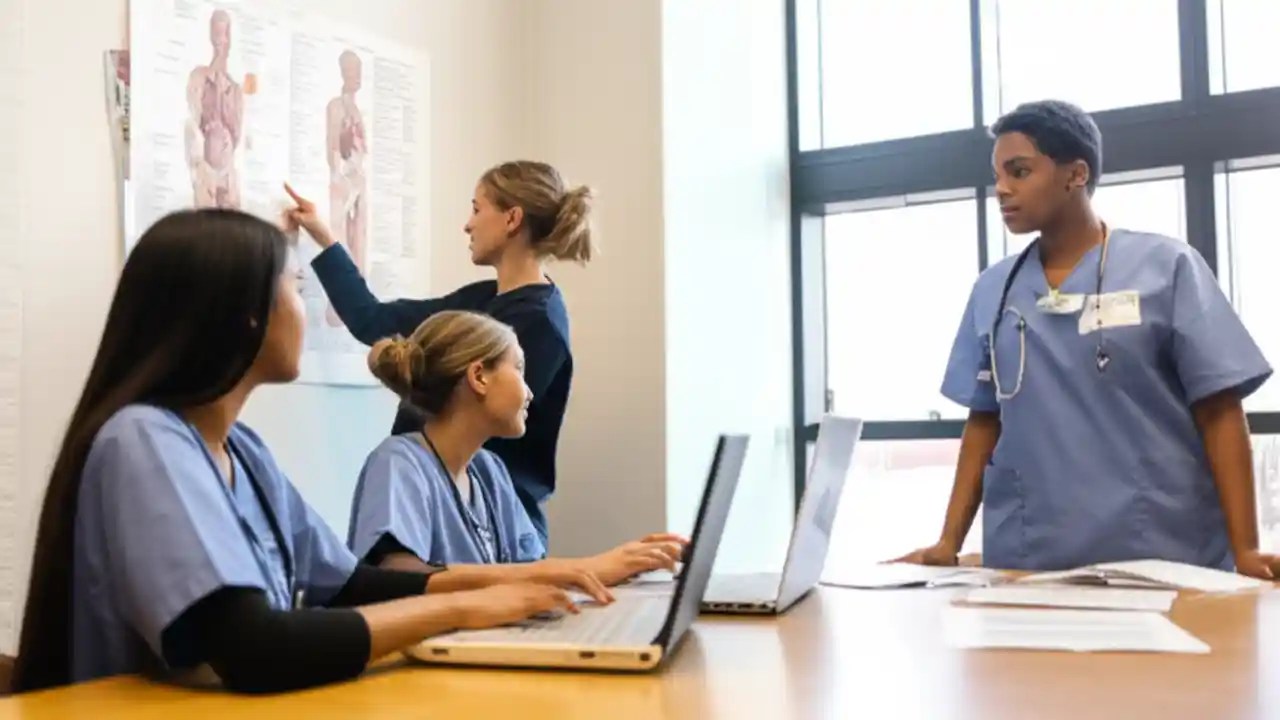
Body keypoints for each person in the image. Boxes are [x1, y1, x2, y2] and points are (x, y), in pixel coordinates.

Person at [11, 209, 615, 695]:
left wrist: (517, 584)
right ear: (247, 317)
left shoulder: (241, 450)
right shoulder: (143, 441)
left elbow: (352, 584)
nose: (304, 311)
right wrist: (462, 611)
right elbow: (253, 647)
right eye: (296, 289)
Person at [897, 99, 1278, 577]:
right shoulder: (994, 290)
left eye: (1019, 171)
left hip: (1162, 556)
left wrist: (1245, 548)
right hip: (1028, 562)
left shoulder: (1167, 268)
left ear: (1076, 174)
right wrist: (947, 542)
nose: (1001, 189)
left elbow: (1220, 410)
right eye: (998, 174)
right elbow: (983, 422)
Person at [284, 159, 594, 544]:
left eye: (477, 209)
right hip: (439, 506)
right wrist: (325, 239)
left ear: (512, 219)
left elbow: (476, 429)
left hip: (497, 529)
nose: (467, 224)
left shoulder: (540, 322)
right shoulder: (481, 299)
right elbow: (372, 321)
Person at [347, 310, 685, 583]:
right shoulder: (398, 463)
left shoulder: (489, 471)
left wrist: (620, 568)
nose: (530, 391)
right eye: (519, 369)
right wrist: (586, 568)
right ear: (479, 377)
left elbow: (530, 571)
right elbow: (396, 575)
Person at [324, 49, 368, 327]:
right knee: (339, 237)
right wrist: (338, 174)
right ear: (343, 72)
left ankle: (358, 305)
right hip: (342, 179)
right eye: (352, 70)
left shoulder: (358, 110)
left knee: (359, 236)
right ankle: (336, 305)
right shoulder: (336, 107)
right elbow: (331, 144)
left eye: (359, 70)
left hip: (358, 177)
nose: (357, 77)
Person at [186, 9, 243, 209]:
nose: (222, 41)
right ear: (211, 36)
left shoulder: (235, 89)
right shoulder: (199, 77)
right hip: (205, 169)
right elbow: (191, 121)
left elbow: (238, 134)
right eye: (217, 34)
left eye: (225, 34)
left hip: (227, 169)